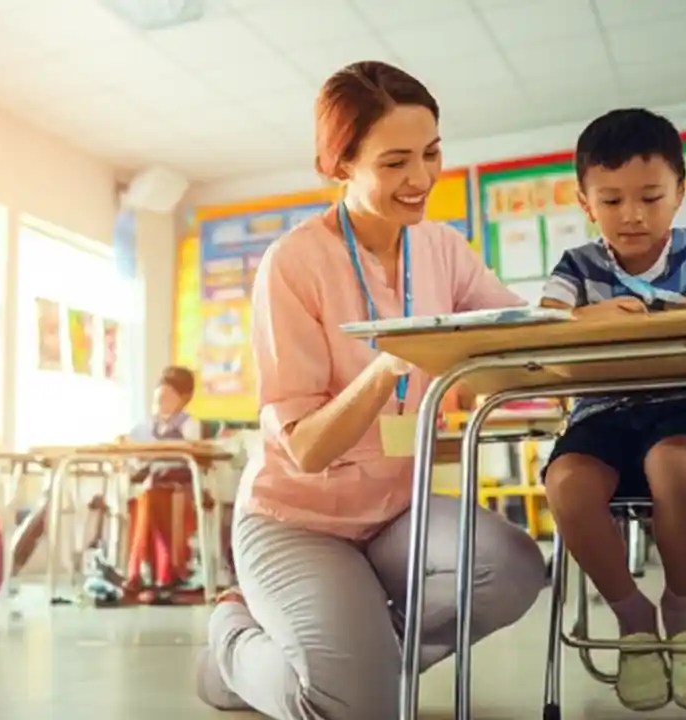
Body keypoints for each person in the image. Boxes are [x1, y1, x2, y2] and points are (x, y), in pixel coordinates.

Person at [196, 61, 545, 720]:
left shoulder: (442, 248)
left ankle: (356, 658)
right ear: (341, 167)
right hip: (295, 522)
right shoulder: (293, 263)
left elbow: (515, 333)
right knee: (351, 711)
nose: (421, 179)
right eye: (394, 163)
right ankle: (233, 646)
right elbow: (304, 449)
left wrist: (594, 316)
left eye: (432, 153)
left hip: (393, 514)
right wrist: (391, 363)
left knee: (514, 568)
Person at [539, 108, 686, 712]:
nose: (633, 214)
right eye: (612, 199)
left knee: (673, 465)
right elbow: (542, 326)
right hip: (604, 418)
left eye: (650, 196)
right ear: (585, 202)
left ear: (682, 189)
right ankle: (633, 619)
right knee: (566, 485)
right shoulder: (578, 265)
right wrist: (588, 316)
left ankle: (684, 604)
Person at [121, 366, 203, 603]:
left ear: (184, 399)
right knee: (140, 503)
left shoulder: (187, 425)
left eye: (168, 397)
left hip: (178, 488)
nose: (162, 403)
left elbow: (191, 450)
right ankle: (139, 572)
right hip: (152, 487)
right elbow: (131, 444)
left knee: (150, 502)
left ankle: (158, 574)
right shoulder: (148, 426)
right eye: (159, 398)